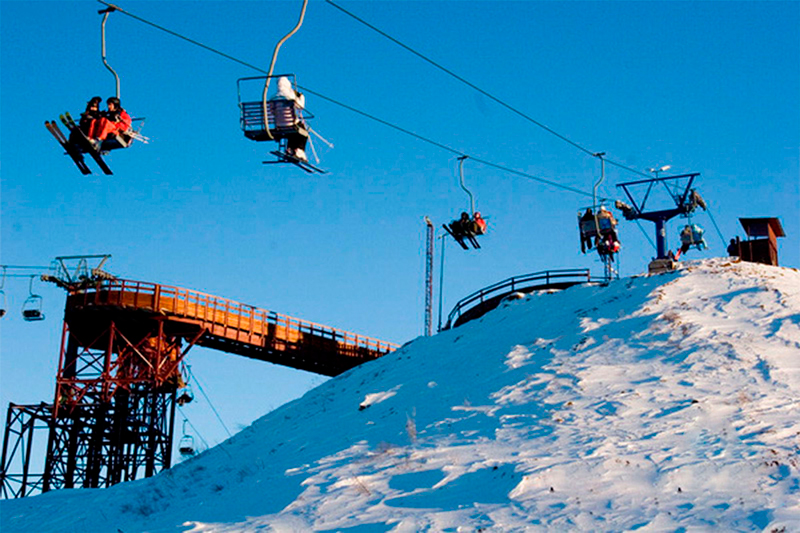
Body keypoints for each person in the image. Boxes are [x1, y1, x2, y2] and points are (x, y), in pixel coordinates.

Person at [269, 76, 309, 161]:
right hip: (290, 123)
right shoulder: (290, 96)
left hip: (279, 125)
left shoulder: (273, 97)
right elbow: (300, 106)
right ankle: (299, 151)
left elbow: (271, 112)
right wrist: (301, 97)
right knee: (303, 132)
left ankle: (290, 150)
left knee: (293, 132)